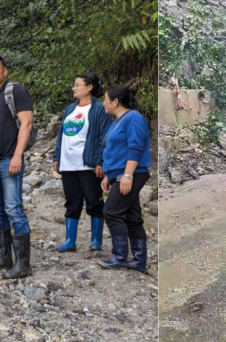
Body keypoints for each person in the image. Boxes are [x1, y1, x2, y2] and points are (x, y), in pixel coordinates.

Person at [0, 55, 34, 279]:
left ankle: (23, 264)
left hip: (9, 160)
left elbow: (26, 123)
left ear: (5, 71)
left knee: (13, 209)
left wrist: (18, 156)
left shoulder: (15, 92)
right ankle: (4, 257)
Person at [54, 73, 110, 252]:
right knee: (72, 202)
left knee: (94, 201)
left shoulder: (98, 109)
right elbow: (61, 136)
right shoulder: (70, 109)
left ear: (89, 87)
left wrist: (100, 161)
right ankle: (70, 241)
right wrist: (57, 157)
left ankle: (96, 241)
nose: (74, 88)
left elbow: (104, 136)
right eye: (74, 84)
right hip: (68, 163)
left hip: (88, 163)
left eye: (77, 85)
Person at [98, 86, 152, 273]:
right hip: (118, 174)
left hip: (131, 173)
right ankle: (138, 260)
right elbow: (113, 151)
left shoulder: (133, 118)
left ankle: (120, 257)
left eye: (105, 99)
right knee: (132, 216)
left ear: (115, 102)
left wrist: (127, 176)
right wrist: (107, 176)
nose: (103, 102)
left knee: (112, 212)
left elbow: (134, 147)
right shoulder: (116, 122)